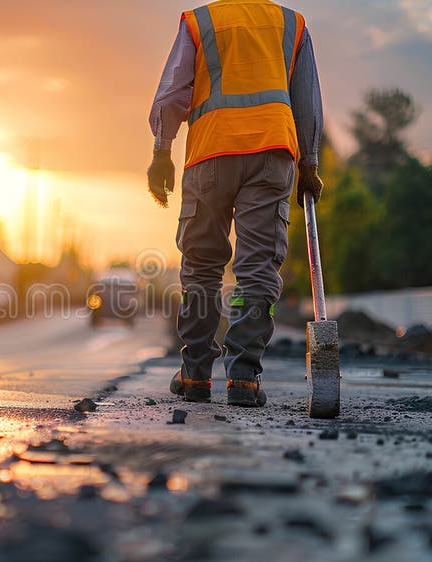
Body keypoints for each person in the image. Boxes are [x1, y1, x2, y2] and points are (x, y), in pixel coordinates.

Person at [147, 0, 324, 406]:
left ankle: (195, 375)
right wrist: (309, 164)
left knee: (202, 266)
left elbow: (173, 90)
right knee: (256, 268)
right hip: (272, 153)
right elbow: (307, 101)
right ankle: (243, 378)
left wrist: (162, 150)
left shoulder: (201, 21)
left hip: (211, 151)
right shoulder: (291, 24)